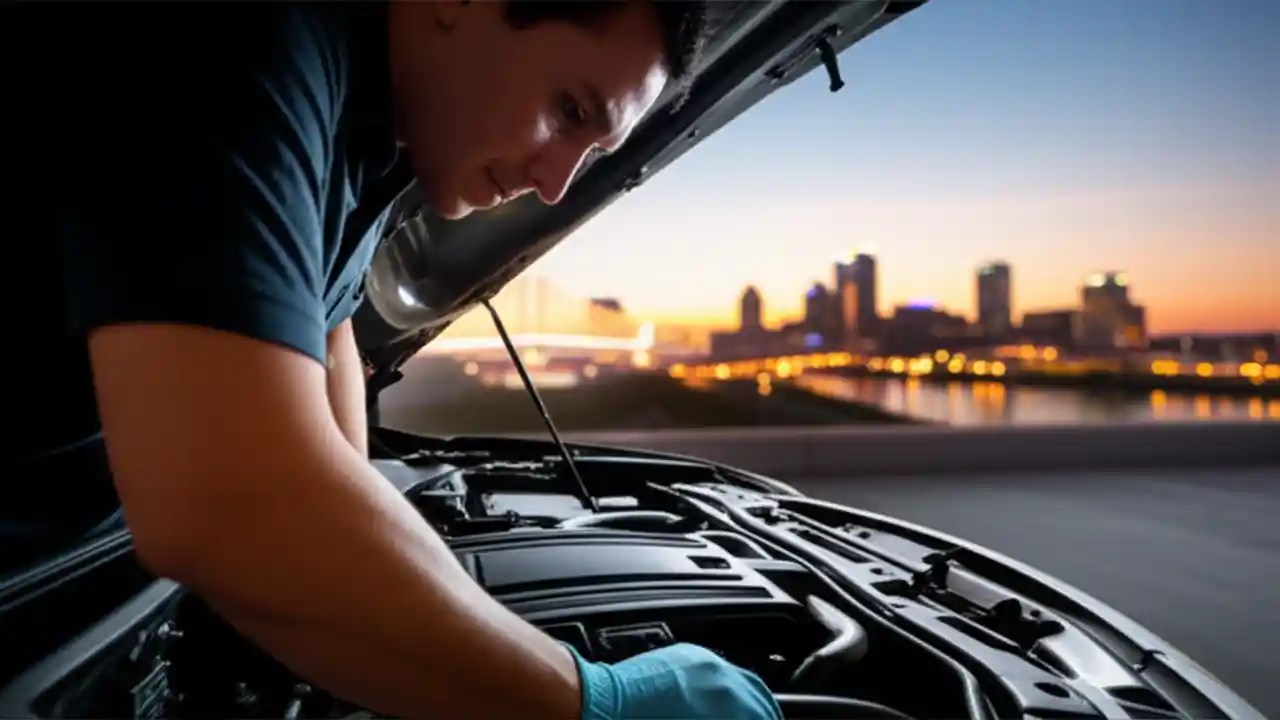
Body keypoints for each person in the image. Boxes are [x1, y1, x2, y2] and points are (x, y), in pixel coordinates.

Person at [5, 1, 783, 718]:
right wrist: (586, 699)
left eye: (589, 150)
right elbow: (225, 508)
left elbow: (326, 329)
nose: (554, 186)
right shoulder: (236, 41)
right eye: (569, 110)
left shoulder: (381, 131)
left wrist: (382, 566)